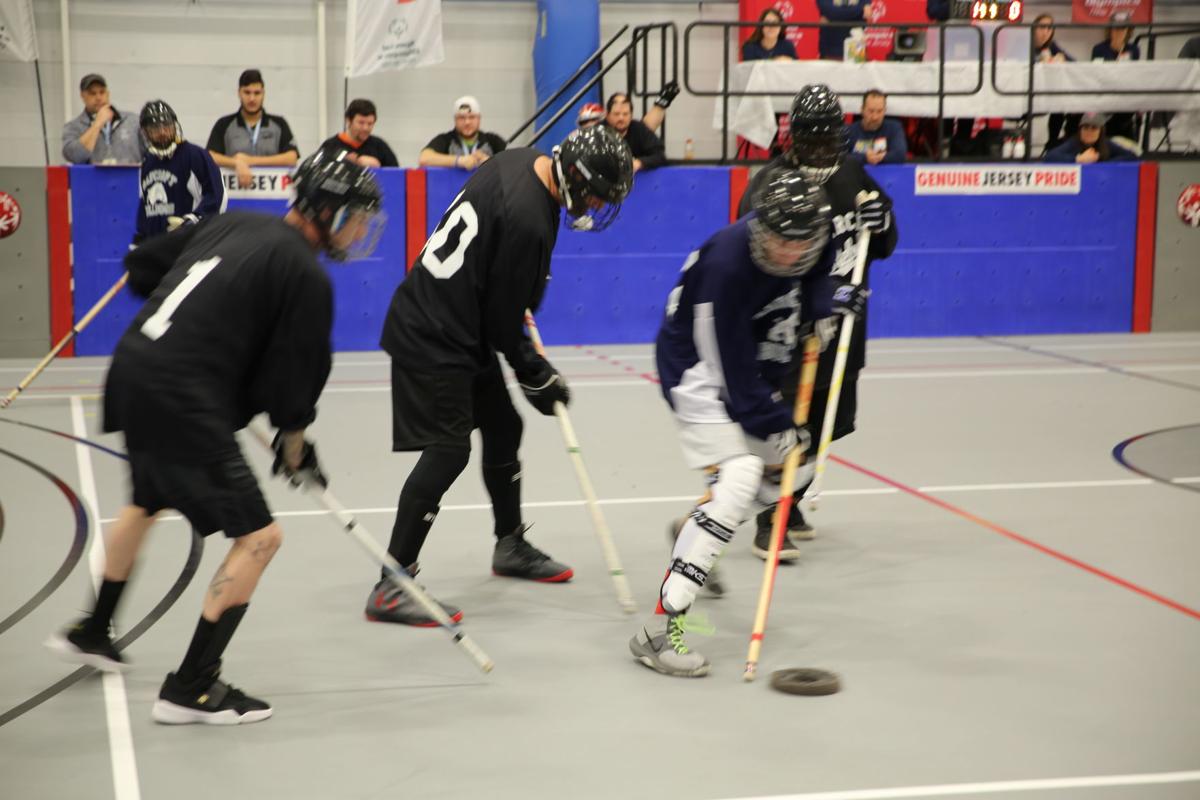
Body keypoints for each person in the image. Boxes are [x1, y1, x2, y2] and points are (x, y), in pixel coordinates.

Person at [45, 151, 384, 725]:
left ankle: (93, 629)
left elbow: (145, 266)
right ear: (324, 211)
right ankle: (192, 687)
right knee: (260, 538)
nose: (357, 230)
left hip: (135, 369)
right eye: (352, 216)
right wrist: (295, 451)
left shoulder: (234, 221)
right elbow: (294, 391)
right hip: (182, 395)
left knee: (149, 499)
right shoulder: (304, 276)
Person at [369, 126, 633, 626]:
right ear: (575, 178)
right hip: (436, 329)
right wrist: (539, 375)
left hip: (458, 318)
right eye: (597, 193)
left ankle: (509, 544)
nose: (597, 204)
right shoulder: (529, 220)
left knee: (503, 426)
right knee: (449, 450)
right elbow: (502, 325)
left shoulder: (522, 161)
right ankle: (392, 582)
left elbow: (502, 289)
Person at [629, 167, 853, 677]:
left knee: (797, 470)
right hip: (697, 367)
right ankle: (660, 629)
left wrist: (829, 301)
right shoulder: (728, 266)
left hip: (751, 362)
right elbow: (727, 369)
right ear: (759, 228)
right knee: (740, 479)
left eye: (797, 244)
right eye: (775, 241)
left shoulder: (811, 232)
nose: (786, 253)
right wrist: (772, 420)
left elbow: (817, 271)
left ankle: (695, 529)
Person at [738, 84, 897, 555]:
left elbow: (885, 245)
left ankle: (792, 497)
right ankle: (771, 518)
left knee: (831, 422)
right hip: (790, 333)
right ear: (797, 138)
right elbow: (756, 266)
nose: (824, 150)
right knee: (787, 426)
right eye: (816, 140)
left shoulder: (851, 172)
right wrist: (820, 295)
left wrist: (883, 218)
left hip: (844, 332)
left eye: (832, 139)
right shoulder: (772, 184)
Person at [133, 100, 226, 247]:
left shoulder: (194, 155)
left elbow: (217, 195)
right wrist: (139, 243)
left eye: (166, 126)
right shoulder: (148, 162)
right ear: (146, 132)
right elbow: (146, 206)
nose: (162, 132)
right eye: (155, 128)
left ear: (174, 125)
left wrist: (193, 220)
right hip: (158, 249)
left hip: (190, 246)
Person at [207, 69, 301, 189]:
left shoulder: (279, 124)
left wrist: (251, 161)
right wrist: (236, 163)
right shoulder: (224, 124)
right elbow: (210, 156)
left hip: (272, 201)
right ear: (239, 93)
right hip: (234, 200)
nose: (252, 98)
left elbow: (291, 158)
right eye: (247, 92)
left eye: (257, 93)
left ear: (263, 94)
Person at [62, 74, 144, 165]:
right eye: (92, 93)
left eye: (102, 92)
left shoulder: (133, 121)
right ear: (82, 96)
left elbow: (150, 152)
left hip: (128, 178)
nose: (98, 98)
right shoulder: (74, 127)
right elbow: (75, 156)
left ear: (108, 94)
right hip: (93, 178)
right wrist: (97, 124)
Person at [419, 96, 508, 171]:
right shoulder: (445, 140)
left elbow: (513, 163)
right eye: (462, 118)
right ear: (455, 119)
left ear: (479, 118)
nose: (467, 122)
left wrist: (489, 162)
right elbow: (424, 159)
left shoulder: (493, 141)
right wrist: (458, 161)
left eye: (472, 117)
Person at [1031, 14, 1079, 151]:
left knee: (1062, 104)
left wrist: (1060, 57)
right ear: (1034, 28)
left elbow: (1073, 63)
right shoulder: (1024, 43)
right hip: (1026, 94)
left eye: (1049, 29)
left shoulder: (1051, 46)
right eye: (1042, 27)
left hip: (1047, 94)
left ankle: (1053, 144)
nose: (1045, 32)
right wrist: (1038, 62)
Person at [1091, 12, 1140, 142]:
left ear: (1128, 31)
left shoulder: (1133, 49)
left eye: (1122, 28)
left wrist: (1121, 52)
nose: (1118, 32)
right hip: (1105, 96)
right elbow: (1097, 75)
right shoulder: (1099, 49)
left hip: (1125, 98)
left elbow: (1133, 75)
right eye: (1115, 28)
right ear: (1110, 29)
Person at [317, 98, 400, 168]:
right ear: (348, 120)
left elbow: (395, 176)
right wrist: (346, 162)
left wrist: (379, 168)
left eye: (370, 123)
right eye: (361, 123)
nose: (365, 128)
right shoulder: (331, 146)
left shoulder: (380, 147)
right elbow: (318, 172)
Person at [605, 92, 666, 172]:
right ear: (607, 115)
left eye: (625, 114)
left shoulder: (639, 129)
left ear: (631, 115)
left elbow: (660, 156)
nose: (621, 118)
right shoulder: (599, 131)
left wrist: (639, 163)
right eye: (616, 114)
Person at [1043, 112, 1137, 163]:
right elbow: (1050, 157)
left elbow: (1131, 156)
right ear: (1080, 130)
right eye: (1085, 127)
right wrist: (1077, 159)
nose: (1089, 132)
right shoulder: (1074, 143)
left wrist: (1102, 162)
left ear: (1101, 131)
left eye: (1094, 128)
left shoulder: (1106, 143)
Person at [846, 90, 907, 165]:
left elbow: (900, 154)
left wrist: (879, 157)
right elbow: (841, 157)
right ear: (862, 110)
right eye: (871, 111)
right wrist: (865, 158)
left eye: (879, 111)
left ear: (885, 110)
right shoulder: (849, 131)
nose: (875, 117)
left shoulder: (894, 128)